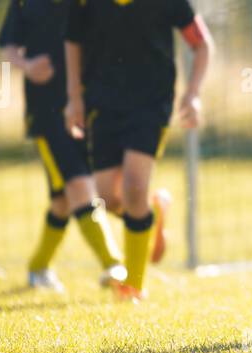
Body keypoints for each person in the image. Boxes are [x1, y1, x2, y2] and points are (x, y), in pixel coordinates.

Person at [65, 0, 213, 301]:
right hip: (101, 105)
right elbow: (73, 41)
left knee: (134, 188)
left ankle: (133, 286)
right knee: (107, 197)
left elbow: (202, 45)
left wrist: (193, 93)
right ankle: (153, 215)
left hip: (151, 103)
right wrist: (74, 97)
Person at [0, 0, 127, 293]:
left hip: (85, 106)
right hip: (45, 113)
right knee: (79, 187)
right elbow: (9, 46)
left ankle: (38, 267)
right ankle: (114, 264)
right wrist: (27, 65)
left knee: (63, 201)